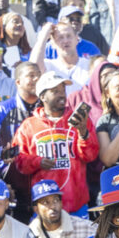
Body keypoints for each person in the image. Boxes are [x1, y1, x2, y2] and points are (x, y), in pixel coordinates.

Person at [13, 71, 101, 214]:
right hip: (45, 207)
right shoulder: (28, 126)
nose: (61, 94)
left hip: (76, 206)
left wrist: (83, 132)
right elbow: (19, 162)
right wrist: (37, 161)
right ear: (42, 96)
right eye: (55, 91)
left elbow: (90, 156)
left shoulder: (79, 119)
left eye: (63, 90)